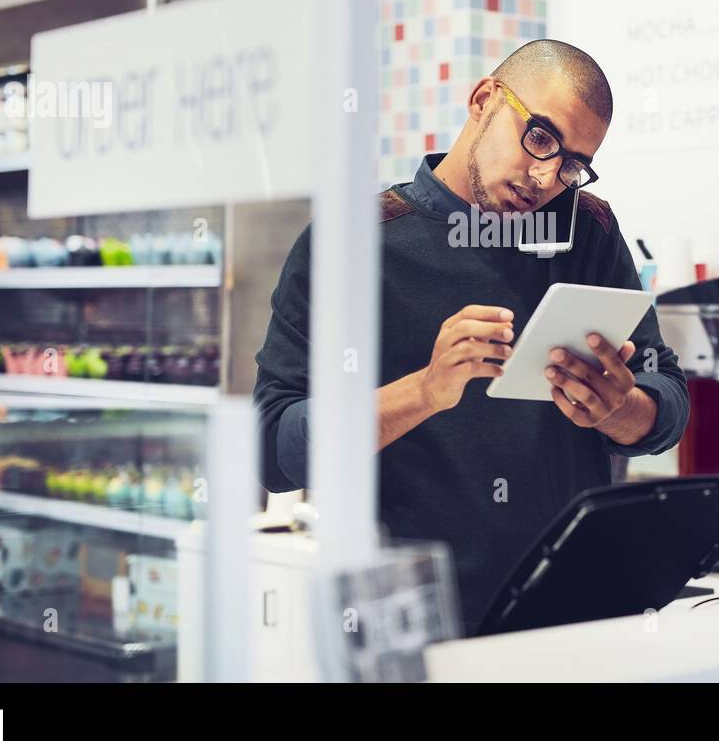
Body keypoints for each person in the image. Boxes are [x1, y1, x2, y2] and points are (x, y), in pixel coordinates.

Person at [253, 39, 689, 634]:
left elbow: (666, 409)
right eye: (540, 137)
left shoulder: (588, 231)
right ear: (484, 99)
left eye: (571, 165)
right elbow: (274, 450)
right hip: (414, 625)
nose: (546, 178)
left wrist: (619, 409)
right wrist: (426, 391)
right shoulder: (356, 242)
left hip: (574, 618)